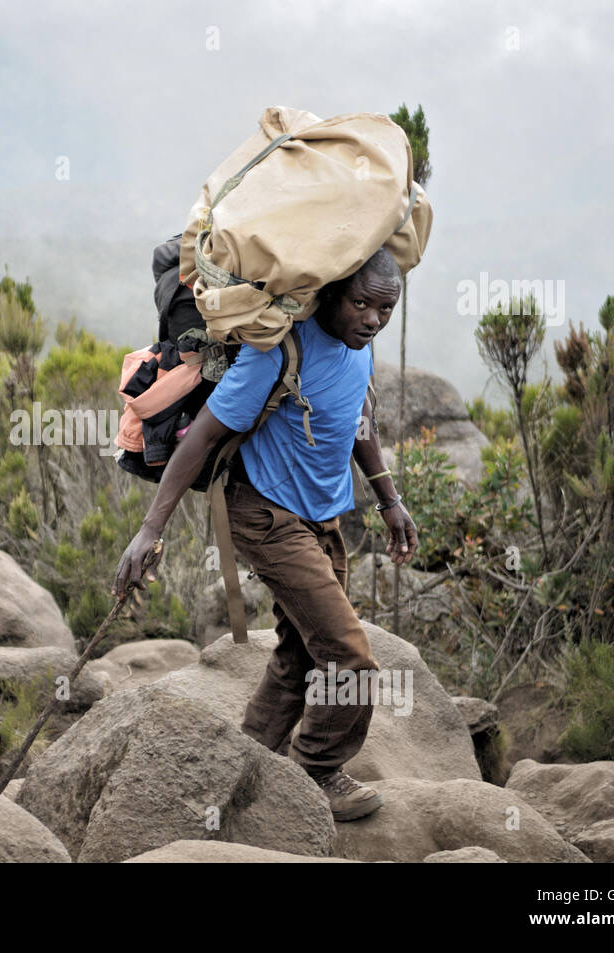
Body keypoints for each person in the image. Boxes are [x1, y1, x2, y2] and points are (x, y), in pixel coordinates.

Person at [112, 246, 418, 821]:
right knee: (349, 657)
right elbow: (202, 436)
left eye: (385, 309)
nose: (373, 320)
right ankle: (317, 771)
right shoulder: (277, 350)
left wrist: (389, 498)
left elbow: (357, 419)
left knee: (299, 653)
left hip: (324, 517)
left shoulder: (360, 347)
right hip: (265, 513)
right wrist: (149, 530)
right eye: (361, 303)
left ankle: (248, 760)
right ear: (328, 294)